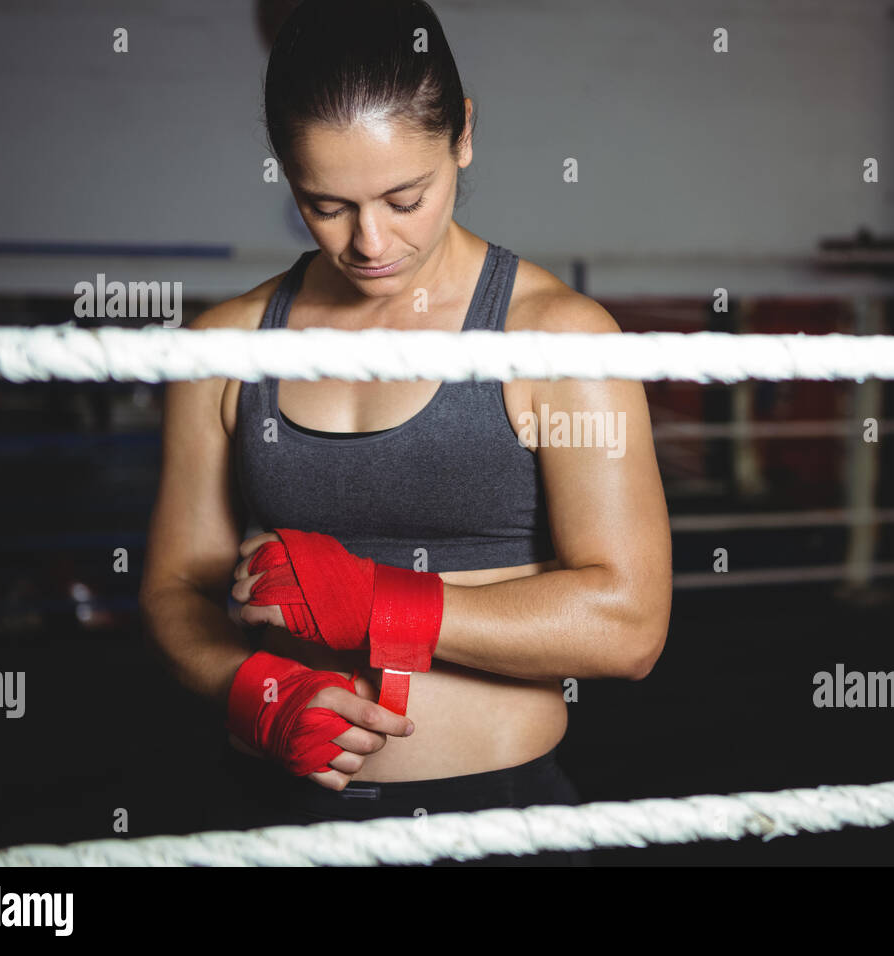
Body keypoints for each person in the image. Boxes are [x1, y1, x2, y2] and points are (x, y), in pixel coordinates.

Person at [138, 0, 672, 866]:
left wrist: (382, 603)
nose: (371, 242)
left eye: (404, 198)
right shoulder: (225, 345)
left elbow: (629, 624)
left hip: (495, 826)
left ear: (463, 136)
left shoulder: (554, 337)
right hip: (278, 819)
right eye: (326, 205)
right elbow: (175, 589)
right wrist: (252, 688)